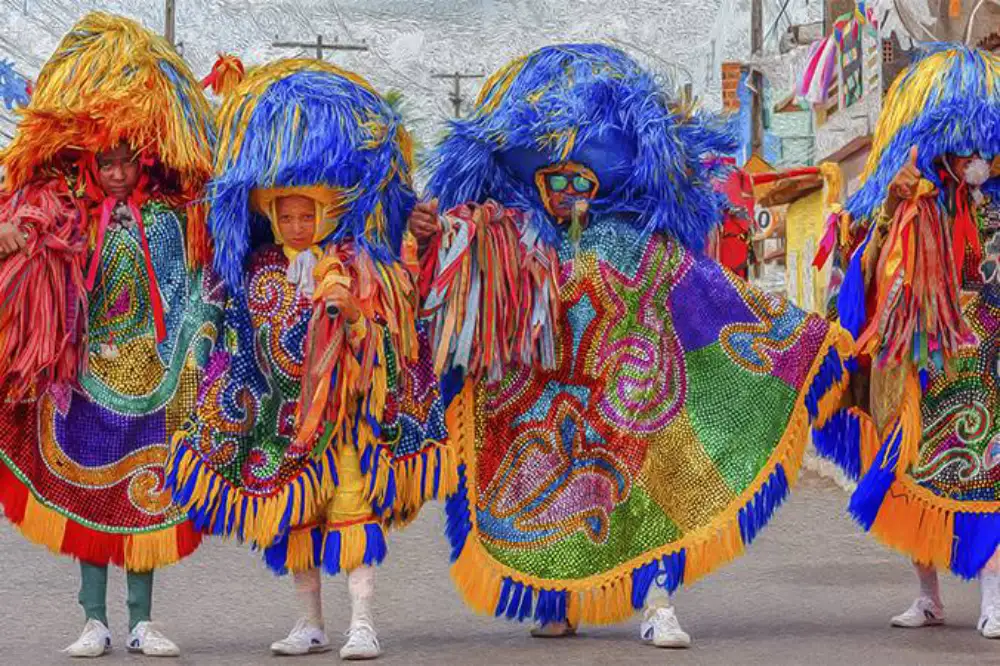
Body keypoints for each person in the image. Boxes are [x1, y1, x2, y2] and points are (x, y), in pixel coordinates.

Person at [412, 43, 851, 647]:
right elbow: (456, 284)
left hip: (637, 406)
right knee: (555, 510)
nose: (567, 191)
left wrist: (799, 333)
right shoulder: (508, 239)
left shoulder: (640, 242)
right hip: (541, 410)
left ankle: (658, 603)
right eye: (554, 179)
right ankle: (558, 603)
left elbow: (713, 291)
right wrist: (429, 234)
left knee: (650, 503)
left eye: (579, 178)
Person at [166, 59, 451, 661]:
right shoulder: (258, 267)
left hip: (344, 423)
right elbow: (241, 337)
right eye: (286, 215)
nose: (296, 225)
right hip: (283, 422)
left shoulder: (358, 264)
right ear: (271, 215)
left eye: (307, 214)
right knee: (298, 518)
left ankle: (363, 623)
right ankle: (310, 622)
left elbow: (388, 330)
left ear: (327, 211)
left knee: (352, 508)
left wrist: (351, 315)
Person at [0, 13, 220, 658]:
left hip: (157, 381)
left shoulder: (172, 215)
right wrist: (14, 235)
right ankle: (93, 619)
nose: (118, 172)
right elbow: (30, 226)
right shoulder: (68, 209)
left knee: (147, 500)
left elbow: (196, 281)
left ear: (143, 158)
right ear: (90, 159)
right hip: (87, 378)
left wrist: (192, 351)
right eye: (107, 162)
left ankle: (142, 621)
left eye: (127, 161)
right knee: (85, 496)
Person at [813, 44, 1000, 638]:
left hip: (988, 374)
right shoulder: (912, 205)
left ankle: (994, 598)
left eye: (981, 147)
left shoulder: (995, 208)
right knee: (913, 480)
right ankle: (929, 597)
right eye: (963, 148)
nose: (974, 159)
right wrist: (894, 207)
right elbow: (865, 274)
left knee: (988, 480)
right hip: (925, 374)